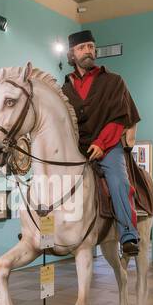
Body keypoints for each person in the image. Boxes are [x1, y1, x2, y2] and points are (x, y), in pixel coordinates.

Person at [60, 29, 141, 256]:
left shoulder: (114, 82)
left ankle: (128, 235)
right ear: (71, 55)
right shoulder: (64, 89)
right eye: (81, 48)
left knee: (118, 180)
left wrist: (101, 143)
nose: (88, 51)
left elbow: (119, 118)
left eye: (91, 47)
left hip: (108, 146)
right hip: (77, 148)